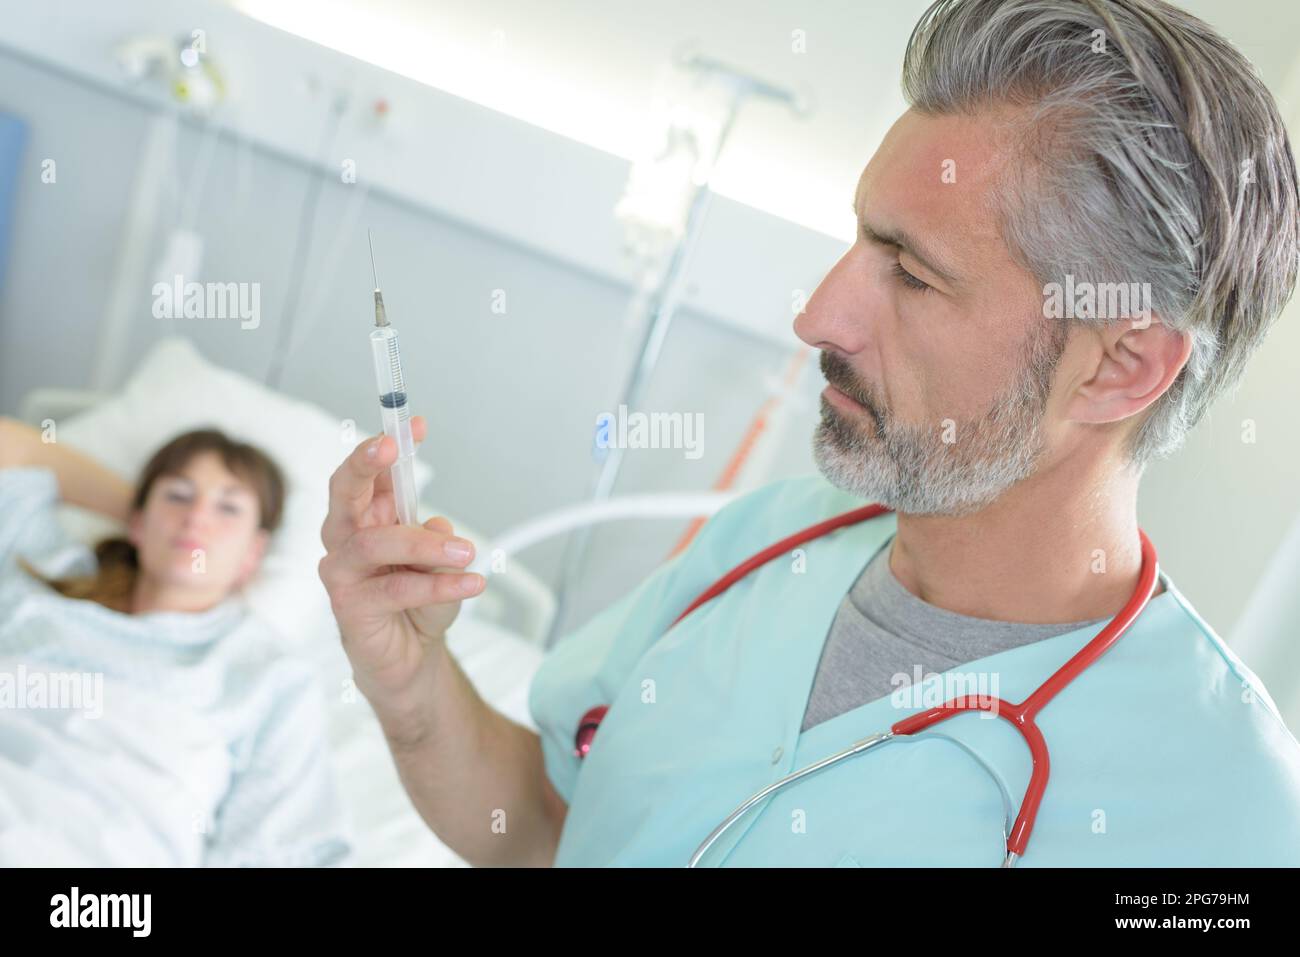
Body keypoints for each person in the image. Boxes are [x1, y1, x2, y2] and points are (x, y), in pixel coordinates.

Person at [317, 0, 1300, 866]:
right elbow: (544, 828)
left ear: (1119, 366)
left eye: (911, 274)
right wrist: (409, 685)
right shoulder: (767, 543)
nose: (820, 316)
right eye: (858, 241)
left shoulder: (1226, 809)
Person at [0, 417, 350, 866]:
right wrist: (146, 517)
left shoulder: (269, 675)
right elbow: (13, 446)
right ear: (137, 523)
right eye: (178, 495)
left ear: (254, 553)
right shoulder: (48, 574)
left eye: (229, 509)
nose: (197, 516)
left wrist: (168, 518)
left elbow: (282, 847)